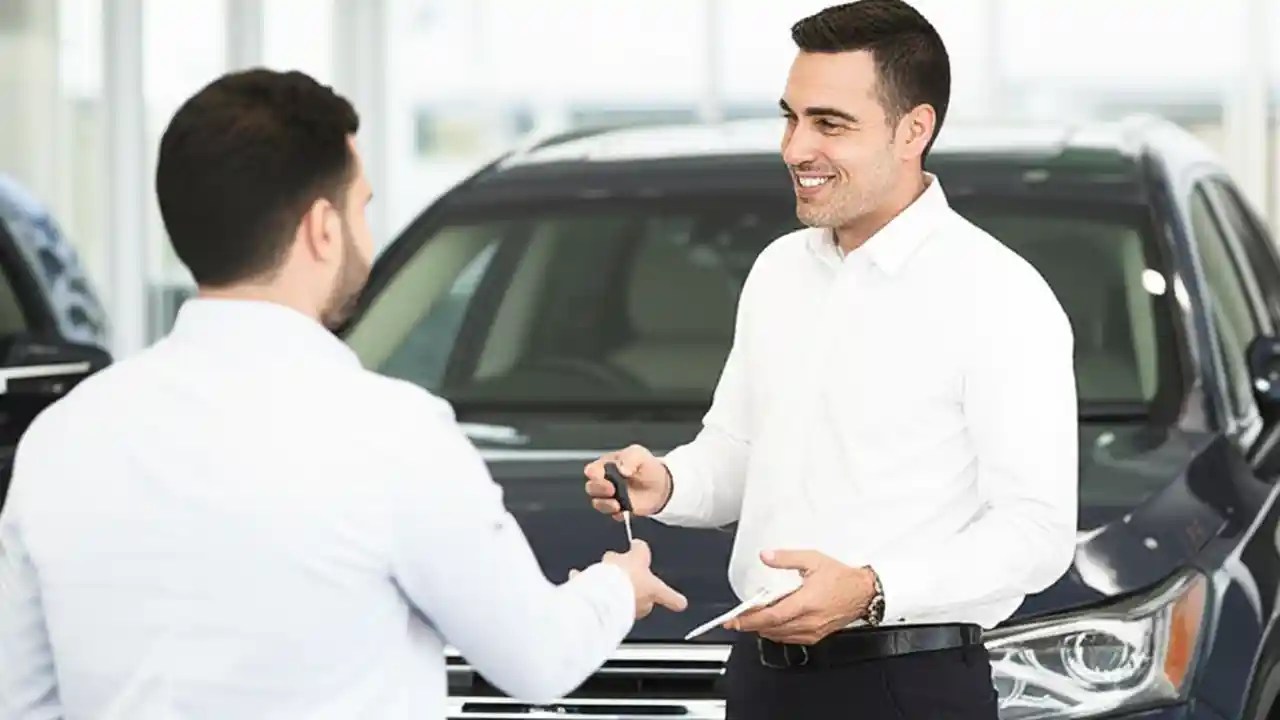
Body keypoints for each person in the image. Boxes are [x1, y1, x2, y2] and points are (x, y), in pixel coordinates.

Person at [0, 68, 686, 720]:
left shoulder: (62, 439)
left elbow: (21, 703)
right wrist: (618, 585)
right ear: (322, 229)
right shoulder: (393, 432)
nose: (365, 230)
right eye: (362, 207)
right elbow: (538, 660)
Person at [584, 1, 1078, 718]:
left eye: (830, 124)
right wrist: (665, 482)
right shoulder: (779, 271)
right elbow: (741, 453)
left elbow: (1035, 533)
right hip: (759, 678)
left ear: (915, 130)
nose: (794, 147)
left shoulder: (998, 294)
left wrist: (873, 588)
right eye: (791, 117)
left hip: (906, 686)